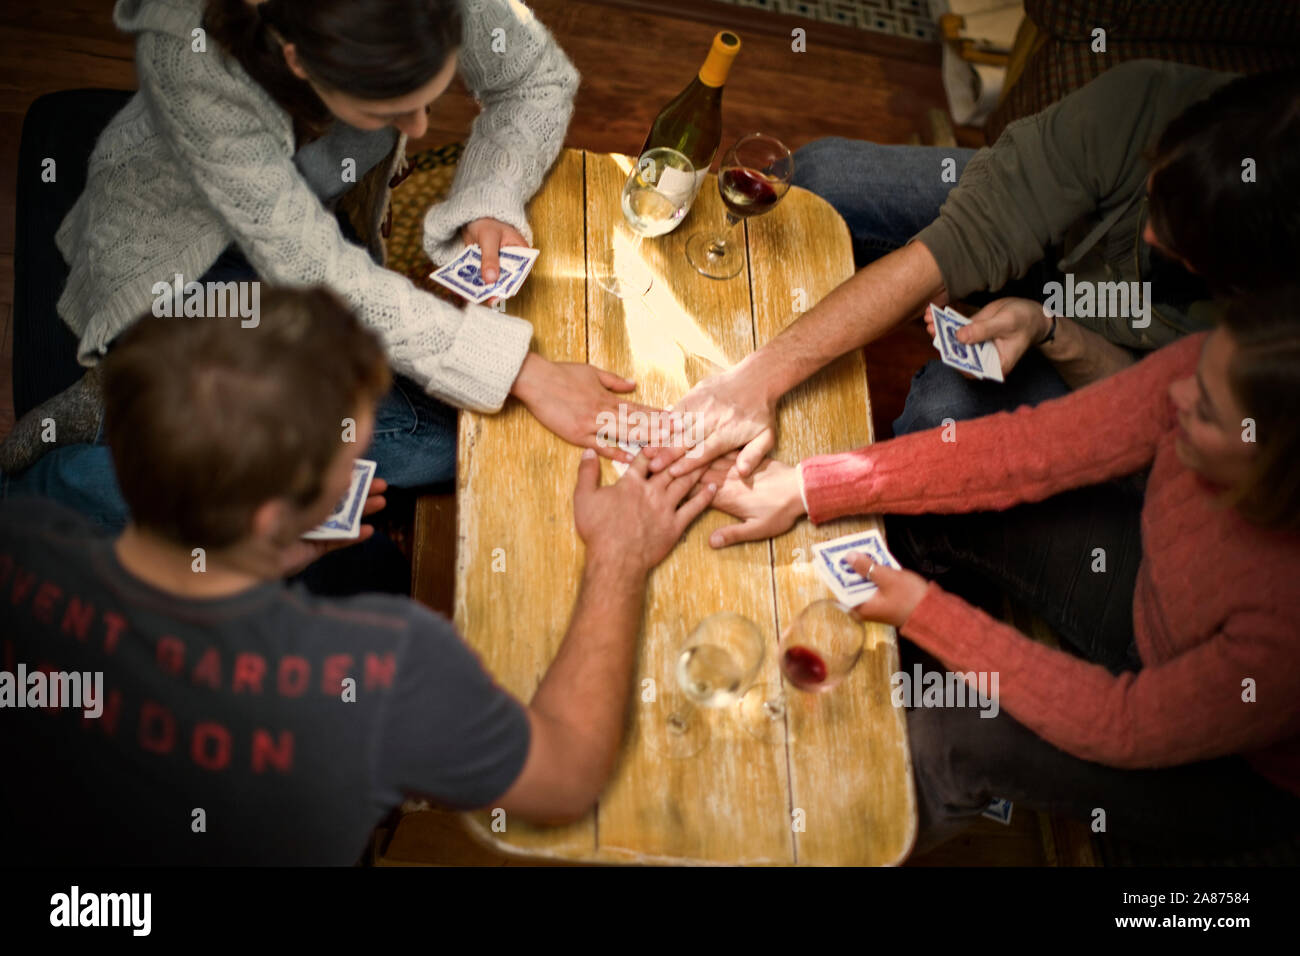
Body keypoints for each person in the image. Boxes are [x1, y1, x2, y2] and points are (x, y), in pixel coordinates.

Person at [0, 287, 716, 866]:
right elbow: (566, 778)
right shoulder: (382, 669)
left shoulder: (29, 521)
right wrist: (619, 555)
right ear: (271, 514)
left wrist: (252, 557)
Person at [0, 0, 654, 529]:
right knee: (437, 443)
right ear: (297, 60)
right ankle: (57, 490)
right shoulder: (194, 63)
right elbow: (308, 266)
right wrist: (519, 370)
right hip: (183, 260)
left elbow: (534, 79)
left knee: (452, 433)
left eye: (430, 95)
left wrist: (491, 193)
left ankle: (155, 407)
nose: (422, 130)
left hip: (309, 239)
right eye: (392, 110)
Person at [693, 295, 1300, 855]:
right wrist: (810, 484)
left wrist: (927, 613)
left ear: (1276, 463)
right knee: (937, 506)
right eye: (1195, 373)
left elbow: (1123, 722)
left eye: (1208, 411)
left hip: (1231, 766)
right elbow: (1027, 448)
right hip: (1154, 598)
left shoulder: (1283, 627)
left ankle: (806, 847)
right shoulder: (1205, 374)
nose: (1175, 394)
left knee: (950, 743)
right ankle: (887, 680)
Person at [647, 61, 1300, 477]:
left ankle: (913, 560)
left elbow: (1154, 408)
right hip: (1042, 241)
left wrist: (1054, 332)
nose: (1150, 234)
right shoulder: (1149, 102)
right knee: (824, 181)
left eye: (1181, 247)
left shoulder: (1275, 336)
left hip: (1108, 364)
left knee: (941, 412)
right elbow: (954, 248)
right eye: (1153, 198)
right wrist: (760, 377)